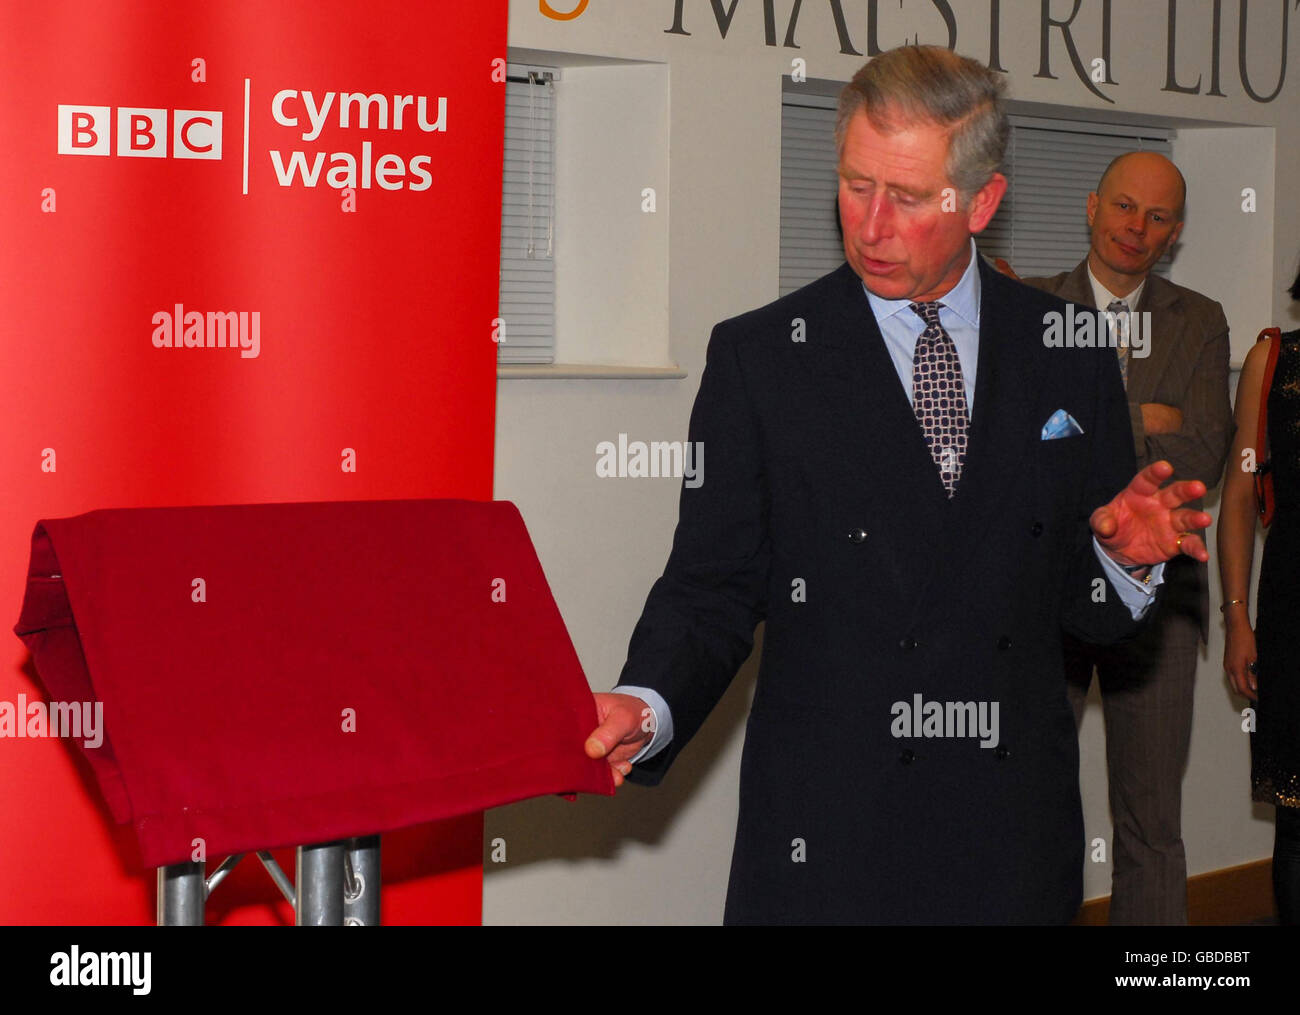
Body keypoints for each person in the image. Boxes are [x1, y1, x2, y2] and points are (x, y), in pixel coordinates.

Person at [585, 45, 1212, 925]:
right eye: (854, 185)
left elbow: (1085, 611)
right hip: (829, 835)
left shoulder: (1066, 349)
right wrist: (647, 701)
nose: (871, 225)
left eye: (909, 198)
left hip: (1009, 839)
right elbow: (711, 586)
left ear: (982, 202)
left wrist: (1123, 564)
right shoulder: (764, 359)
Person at [1015, 153, 1234, 925]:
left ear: (1174, 233)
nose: (1135, 229)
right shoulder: (1029, 306)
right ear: (1090, 206)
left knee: (1150, 823)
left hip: (1160, 603)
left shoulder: (1200, 319)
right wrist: (1149, 413)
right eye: (1124, 207)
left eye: (1157, 217)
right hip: (1046, 591)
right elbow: (1017, 442)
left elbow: (1205, 452)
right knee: (1024, 812)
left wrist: (1089, 418)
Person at [1217, 264, 1300, 925]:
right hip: (1292, 610)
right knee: (1298, 817)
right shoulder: (1272, 359)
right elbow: (1240, 497)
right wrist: (1237, 617)